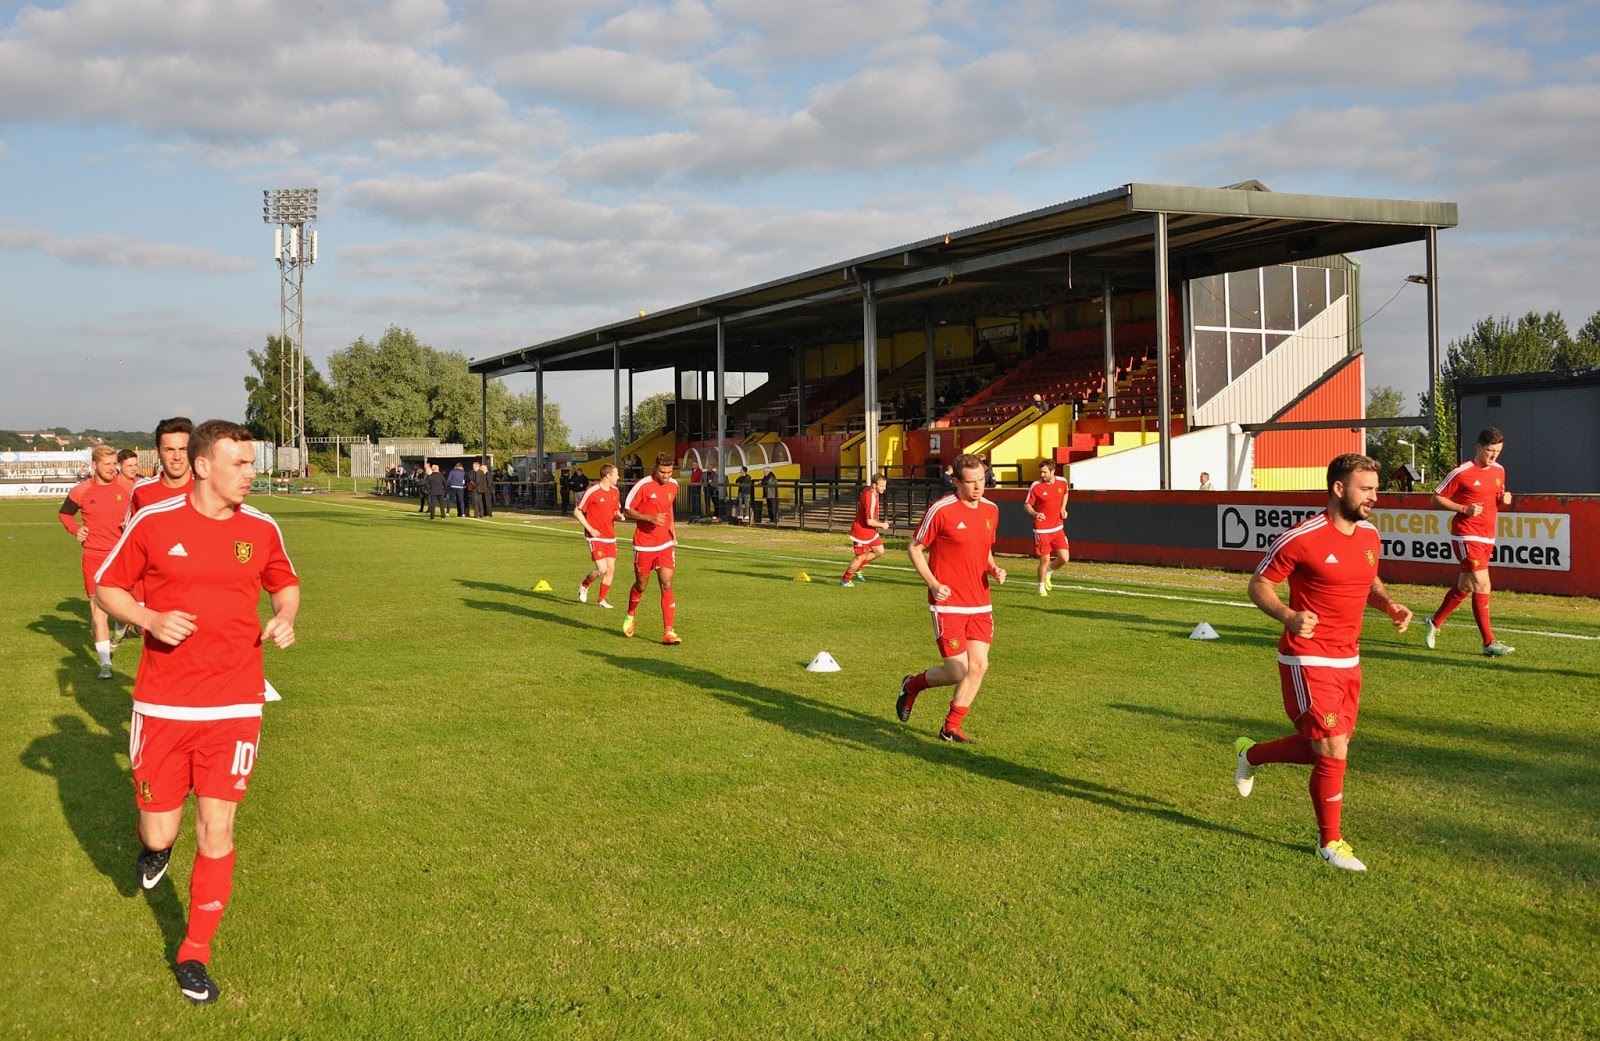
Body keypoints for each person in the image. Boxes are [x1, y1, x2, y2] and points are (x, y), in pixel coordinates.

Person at [94, 418, 300, 1004]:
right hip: (163, 703)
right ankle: (155, 846)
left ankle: (194, 953)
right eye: (241, 463)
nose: (251, 474)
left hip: (236, 701)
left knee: (218, 828)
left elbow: (285, 583)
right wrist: (150, 619)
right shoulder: (154, 522)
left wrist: (285, 615)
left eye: (253, 463)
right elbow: (108, 588)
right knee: (161, 825)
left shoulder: (260, 528)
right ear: (205, 465)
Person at [1235, 453, 1412, 872]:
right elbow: (1258, 583)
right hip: (1306, 658)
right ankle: (1329, 842)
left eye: (1375, 488)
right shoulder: (1302, 537)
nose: (1374, 496)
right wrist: (1288, 616)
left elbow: (1369, 580)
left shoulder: (1369, 535)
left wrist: (1389, 605)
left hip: (1348, 659)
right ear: (1338, 488)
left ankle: (1251, 755)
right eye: (1365, 488)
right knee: (1332, 747)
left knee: (1328, 748)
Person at [895, 454, 1005, 743]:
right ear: (956, 481)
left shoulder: (992, 510)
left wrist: (993, 568)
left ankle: (950, 728)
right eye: (971, 482)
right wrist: (933, 583)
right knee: (957, 670)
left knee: (979, 666)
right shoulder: (941, 510)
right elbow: (914, 548)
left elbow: (985, 549)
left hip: (980, 602)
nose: (978, 487)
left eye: (982, 480)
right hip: (948, 603)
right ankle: (912, 686)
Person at [1425, 427, 1514, 656]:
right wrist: (1464, 508)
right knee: (1483, 584)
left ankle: (1434, 622)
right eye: (1490, 451)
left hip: (1487, 535)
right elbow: (1436, 498)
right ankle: (1489, 643)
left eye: (1498, 451)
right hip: (1466, 534)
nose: (1494, 456)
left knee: (1465, 586)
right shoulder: (1462, 472)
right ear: (1479, 447)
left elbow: (1496, 498)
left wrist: (1504, 500)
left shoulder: (1499, 470)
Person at [58, 444, 130, 679]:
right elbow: (64, 513)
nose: (113, 468)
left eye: (114, 464)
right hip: (93, 556)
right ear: (94, 465)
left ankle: (121, 627)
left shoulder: (128, 487)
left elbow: (143, 513)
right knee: (97, 609)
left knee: (122, 611)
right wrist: (74, 529)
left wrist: (130, 524)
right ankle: (105, 664)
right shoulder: (81, 491)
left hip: (121, 556)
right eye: (107, 464)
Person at [621, 452, 682, 645]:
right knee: (641, 585)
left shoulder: (674, 485)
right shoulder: (643, 486)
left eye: (669, 472)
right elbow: (627, 510)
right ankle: (630, 615)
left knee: (667, 583)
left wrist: (672, 526)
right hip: (644, 544)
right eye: (663, 472)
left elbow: (668, 505)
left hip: (664, 543)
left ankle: (668, 632)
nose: (666, 476)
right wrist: (650, 518)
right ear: (655, 468)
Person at [576, 463, 624, 609]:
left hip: (610, 536)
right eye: (616, 474)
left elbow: (615, 512)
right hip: (595, 536)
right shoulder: (592, 491)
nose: (618, 477)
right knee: (602, 569)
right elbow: (577, 511)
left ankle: (601, 600)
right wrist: (590, 528)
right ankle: (584, 585)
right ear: (608, 475)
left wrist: (619, 517)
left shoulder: (615, 491)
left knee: (611, 569)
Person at [1025, 459, 1070, 596]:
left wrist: (1063, 508)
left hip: (1057, 527)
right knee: (1045, 559)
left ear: (1052, 471)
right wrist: (1035, 513)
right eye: (1041, 472)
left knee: (1064, 558)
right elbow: (1027, 505)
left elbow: (1065, 493)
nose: (1042, 474)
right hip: (1042, 529)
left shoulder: (1062, 481)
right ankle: (1040, 587)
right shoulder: (1036, 486)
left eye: (1045, 472)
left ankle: (1049, 572)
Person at [841, 473, 890, 587]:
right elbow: (869, 521)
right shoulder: (870, 498)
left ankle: (859, 568)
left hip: (870, 531)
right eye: (882, 486)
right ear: (874, 485)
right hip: (861, 532)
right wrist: (883, 525)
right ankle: (845, 580)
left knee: (879, 551)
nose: (884, 488)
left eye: (885, 485)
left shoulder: (871, 490)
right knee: (860, 557)